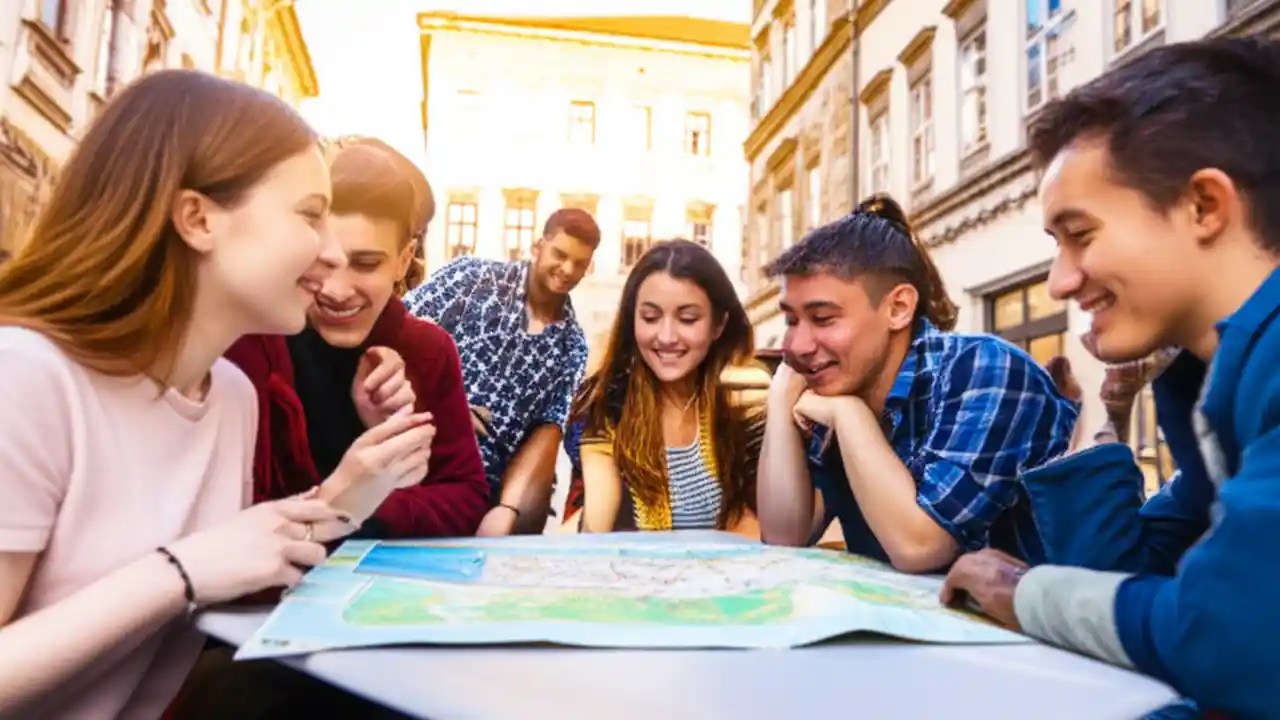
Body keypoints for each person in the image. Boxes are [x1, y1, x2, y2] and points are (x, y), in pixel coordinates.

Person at [0, 70, 431, 719]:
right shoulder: (26, 378)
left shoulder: (230, 395)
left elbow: (219, 584)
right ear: (197, 218)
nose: (332, 249)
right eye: (311, 215)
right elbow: (194, 572)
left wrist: (351, 493)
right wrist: (179, 571)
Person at [941, 37, 1280, 717]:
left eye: (1081, 234)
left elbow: (1231, 640)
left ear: (1204, 206)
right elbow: (1122, 576)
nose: (1061, 281)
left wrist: (1028, 594)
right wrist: (1117, 404)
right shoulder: (1212, 378)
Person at [756, 195, 1078, 573]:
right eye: (791, 321)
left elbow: (920, 547)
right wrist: (779, 401)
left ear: (898, 309)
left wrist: (850, 415)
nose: (796, 346)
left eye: (823, 318)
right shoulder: (839, 381)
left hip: (1044, 625)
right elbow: (784, 535)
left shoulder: (983, 370)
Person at [226, 139, 488, 539]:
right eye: (320, 260)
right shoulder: (255, 341)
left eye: (366, 264)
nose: (336, 289)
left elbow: (467, 499)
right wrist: (358, 498)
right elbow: (239, 516)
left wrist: (364, 499)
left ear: (404, 260)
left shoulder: (428, 349)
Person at [404, 208, 597, 535]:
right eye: (560, 254)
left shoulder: (572, 345)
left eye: (579, 263)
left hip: (486, 495)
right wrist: (444, 408)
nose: (567, 269)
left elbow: (547, 433)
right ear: (539, 246)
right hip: (417, 463)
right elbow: (396, 330)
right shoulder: (471, 278)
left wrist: (507, 509)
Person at [563, 240, 766, 534]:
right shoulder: (608, 406)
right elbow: (597, 526)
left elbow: (764, 524)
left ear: (718, 325)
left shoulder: (743, 396)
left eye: (687, 319)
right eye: (650, 317)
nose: (667, 336)